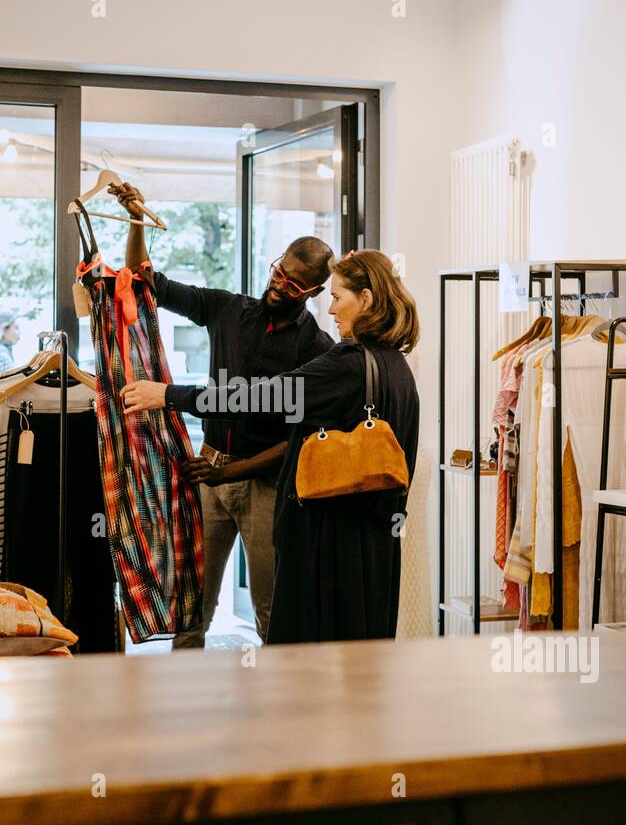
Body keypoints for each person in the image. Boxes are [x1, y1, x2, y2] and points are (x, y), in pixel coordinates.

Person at [122, 249, 420, 644]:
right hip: (373, 545)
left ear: (365, 300)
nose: (331, 310)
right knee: (360, 655)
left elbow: (261, 397)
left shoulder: (346, 364)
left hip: (334, 545)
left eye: (337, 297)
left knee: (305, 648)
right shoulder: (395, 367)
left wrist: (169, 394)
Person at [110, 181, 335, 648]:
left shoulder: (318, 350)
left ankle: (282, 708)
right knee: (192, 605)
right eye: (279, 272)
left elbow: (301, 438)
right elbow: (144, 279)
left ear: (313, 290)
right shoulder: (230, 309)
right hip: (206, 473)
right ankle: (188, 703)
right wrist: (137, 219)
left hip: (268, 487)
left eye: (294, 283)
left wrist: (235, 468)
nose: (280, 284)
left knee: (272, 609)